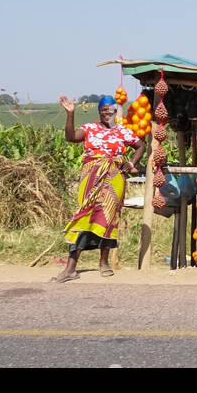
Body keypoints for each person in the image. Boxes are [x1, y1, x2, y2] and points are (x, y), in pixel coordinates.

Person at [54, 94, 143, 282]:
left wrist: (130, 163)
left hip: (114, 178)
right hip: (91, 178)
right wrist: (71, 114)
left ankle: (103, 262)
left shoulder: (123, 131)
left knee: (109, 217)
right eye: (103, 110)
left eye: (110, 110)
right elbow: (70, 137)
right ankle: (71, 268)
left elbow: (140, 146)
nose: (107, 114)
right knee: (83, 216)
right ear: (99, 112)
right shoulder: (89, 129)